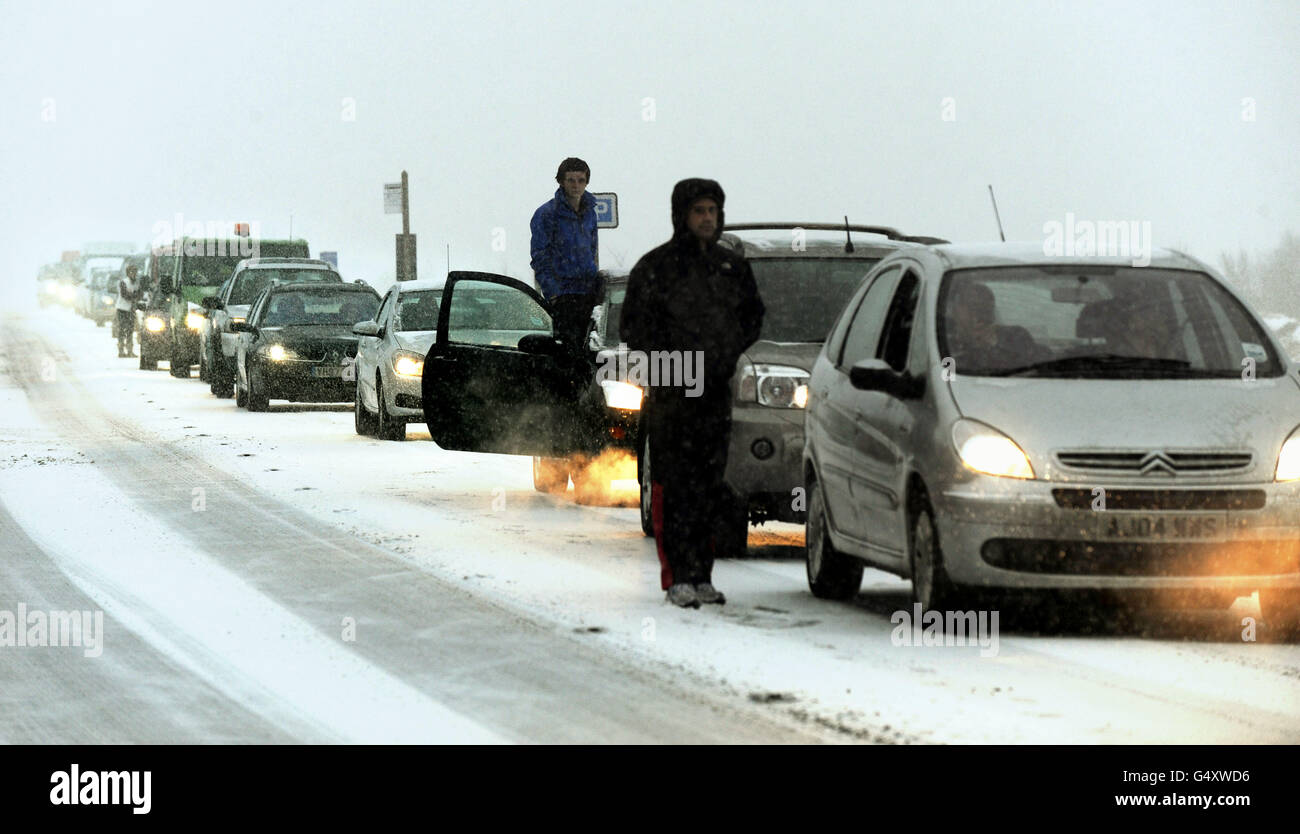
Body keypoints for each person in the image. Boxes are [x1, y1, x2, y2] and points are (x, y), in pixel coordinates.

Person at [620, 178, 765, 608]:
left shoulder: (731, 268)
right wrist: (673, 361)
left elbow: (752, 317)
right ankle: (678, 577)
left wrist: (725, 355)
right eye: (698, 211)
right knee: (675, 486)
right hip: (672, 396)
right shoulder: (656, 267)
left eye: (712, 211)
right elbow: (633, 328)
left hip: (715, 395)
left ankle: (703, 574)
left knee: (708, 485)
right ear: (681, 215)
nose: (706, 218)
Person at [530, 157, 601, 363]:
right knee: (567, 357)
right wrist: (553, 293)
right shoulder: (546, 214)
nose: (576, 185)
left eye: (581, 180)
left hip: (590, 295)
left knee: (592, 355)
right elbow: (539, 257)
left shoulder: (590, 213)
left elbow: (592, 249)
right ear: (561, 181)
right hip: (564, 297)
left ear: (587, 181)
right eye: (571, 180)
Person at [944, 281, 1046, 371]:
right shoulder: (944, 343)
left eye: (983, 307)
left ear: (992, 310)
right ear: (955, 310)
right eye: (970, 306)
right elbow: (948, 378)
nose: (976, 314)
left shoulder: (1016, 336)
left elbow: (1032, 369)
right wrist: (970, 345)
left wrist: (993, 346)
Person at [115, 264, 140, 357]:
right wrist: (134, 296)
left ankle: (130, 350)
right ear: (128, 273)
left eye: (135, 272)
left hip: (131, 310)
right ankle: (121, 350)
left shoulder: (136, 283)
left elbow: (139, 294)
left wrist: (134, 296)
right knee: (122, 330)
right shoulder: (124, 282)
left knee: (130, 330)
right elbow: (125, 295)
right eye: (131, 272)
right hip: (122, 309)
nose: (133, 274)